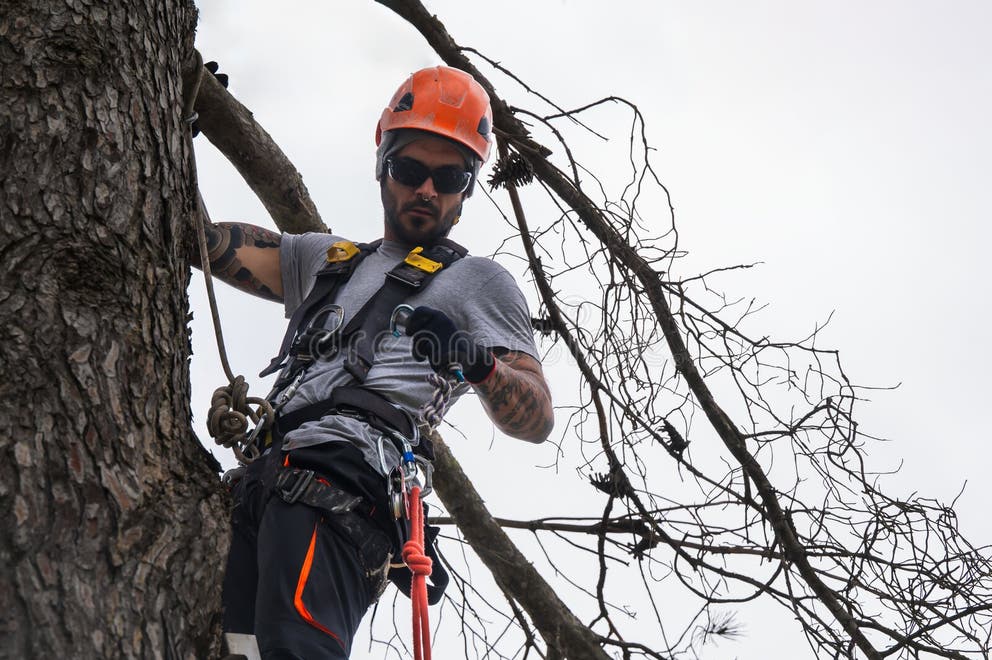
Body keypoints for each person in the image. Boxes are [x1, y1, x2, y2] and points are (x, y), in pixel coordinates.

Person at [196, 66, 554, 659]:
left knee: (296, 648)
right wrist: (169, 121)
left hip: (345, 484)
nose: (427, 190)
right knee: (223, 648)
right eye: (411, 170)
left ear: (466, 192)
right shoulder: (324, 261)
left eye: (450, 177)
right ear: (383, 165)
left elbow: (536, 418)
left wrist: (477, 363)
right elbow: (202, 241)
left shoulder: (478, 282)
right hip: (258, 477)